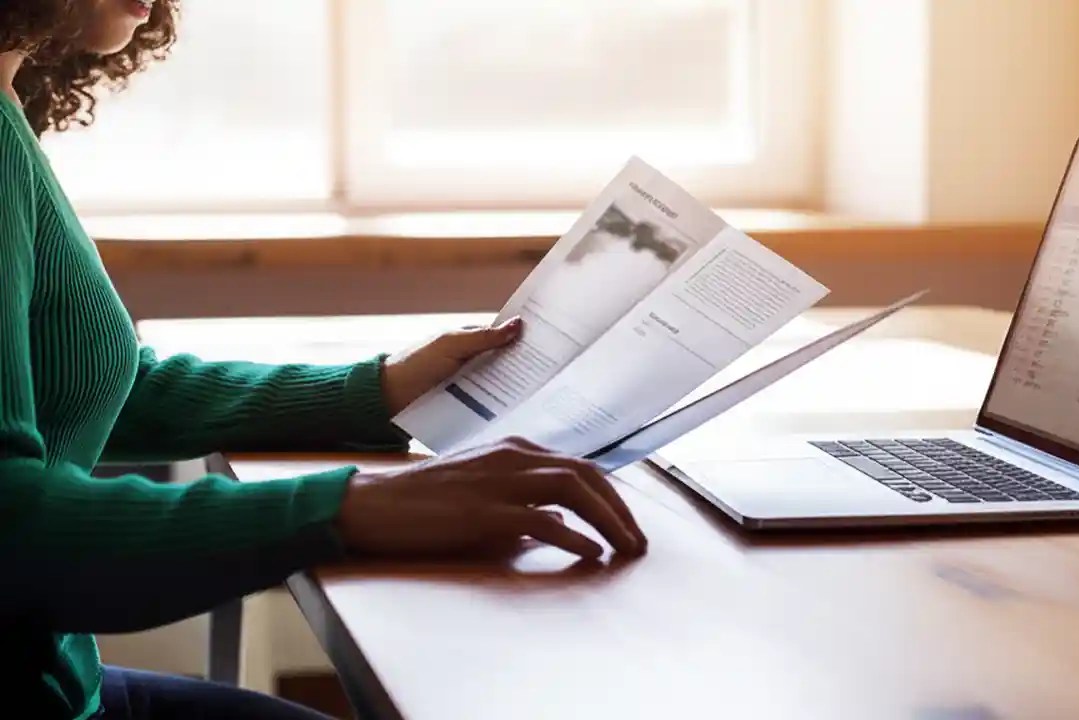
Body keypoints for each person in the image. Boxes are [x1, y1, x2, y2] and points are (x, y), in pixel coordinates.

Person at [0, 1, 647, 718]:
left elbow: (96, 387)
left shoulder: (9, 112)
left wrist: (372, 392)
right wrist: (349, 507)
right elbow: (11, 529)